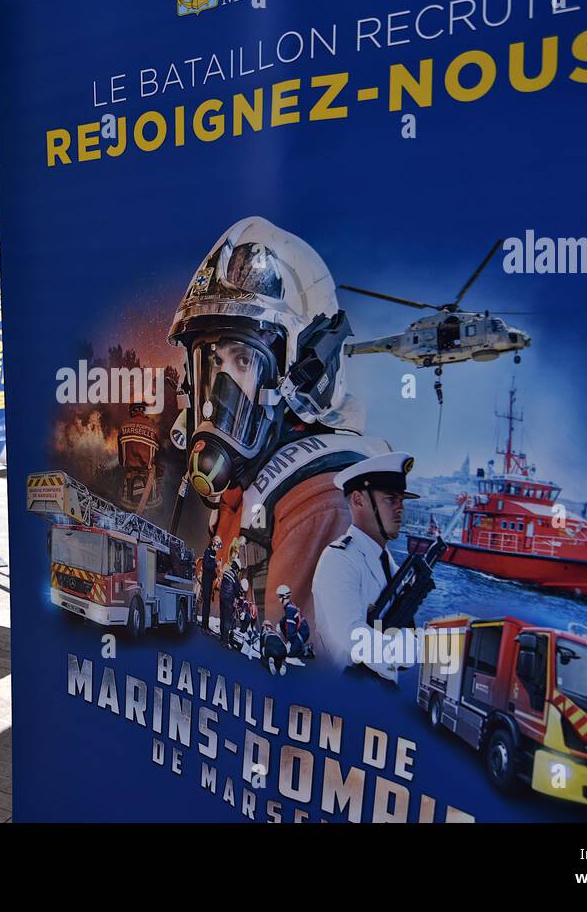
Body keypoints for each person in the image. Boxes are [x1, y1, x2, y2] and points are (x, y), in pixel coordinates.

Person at [166, 217, 389, 638]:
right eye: (214, 362)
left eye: (244, 361)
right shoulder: (251, 485)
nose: (220, 391)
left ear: (308, 374)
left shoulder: (318, 503)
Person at [309, 452, 419, 681]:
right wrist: (409, 649)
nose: (400, 508)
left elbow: (409, 645)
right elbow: (352, 637)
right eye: (390, 499)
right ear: (358, 500)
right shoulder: (338, 560)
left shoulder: (391, 566)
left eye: (401, 500)